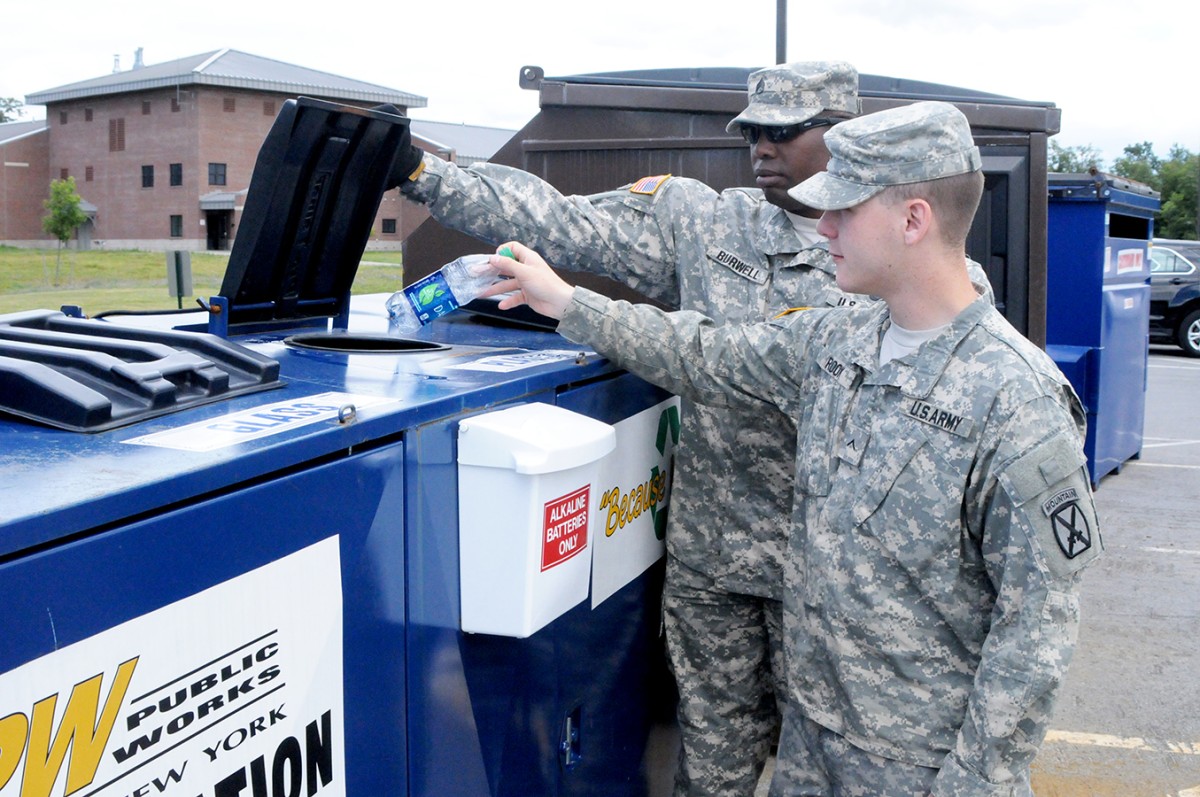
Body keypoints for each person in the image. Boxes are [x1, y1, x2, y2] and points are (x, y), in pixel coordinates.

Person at [477, 101, 1102, 796]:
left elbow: (1037, 626)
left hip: (918, 768)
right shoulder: (839, 339)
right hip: (810, 744)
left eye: (844, 211)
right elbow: (703, 350)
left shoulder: (1017, 398)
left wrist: (975, 780)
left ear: (914, 219)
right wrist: (566, 302)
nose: (823, 228)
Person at [392, 61, 866, 796]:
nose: (761, 147)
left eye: (783, 131)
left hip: (833, 573)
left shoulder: (883, 251)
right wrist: (422, 170)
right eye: (752, 132)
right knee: (713, 759)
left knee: (830, 764)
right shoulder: (710, 221)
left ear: (843, 135)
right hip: (717, 563)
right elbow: (559, 219)